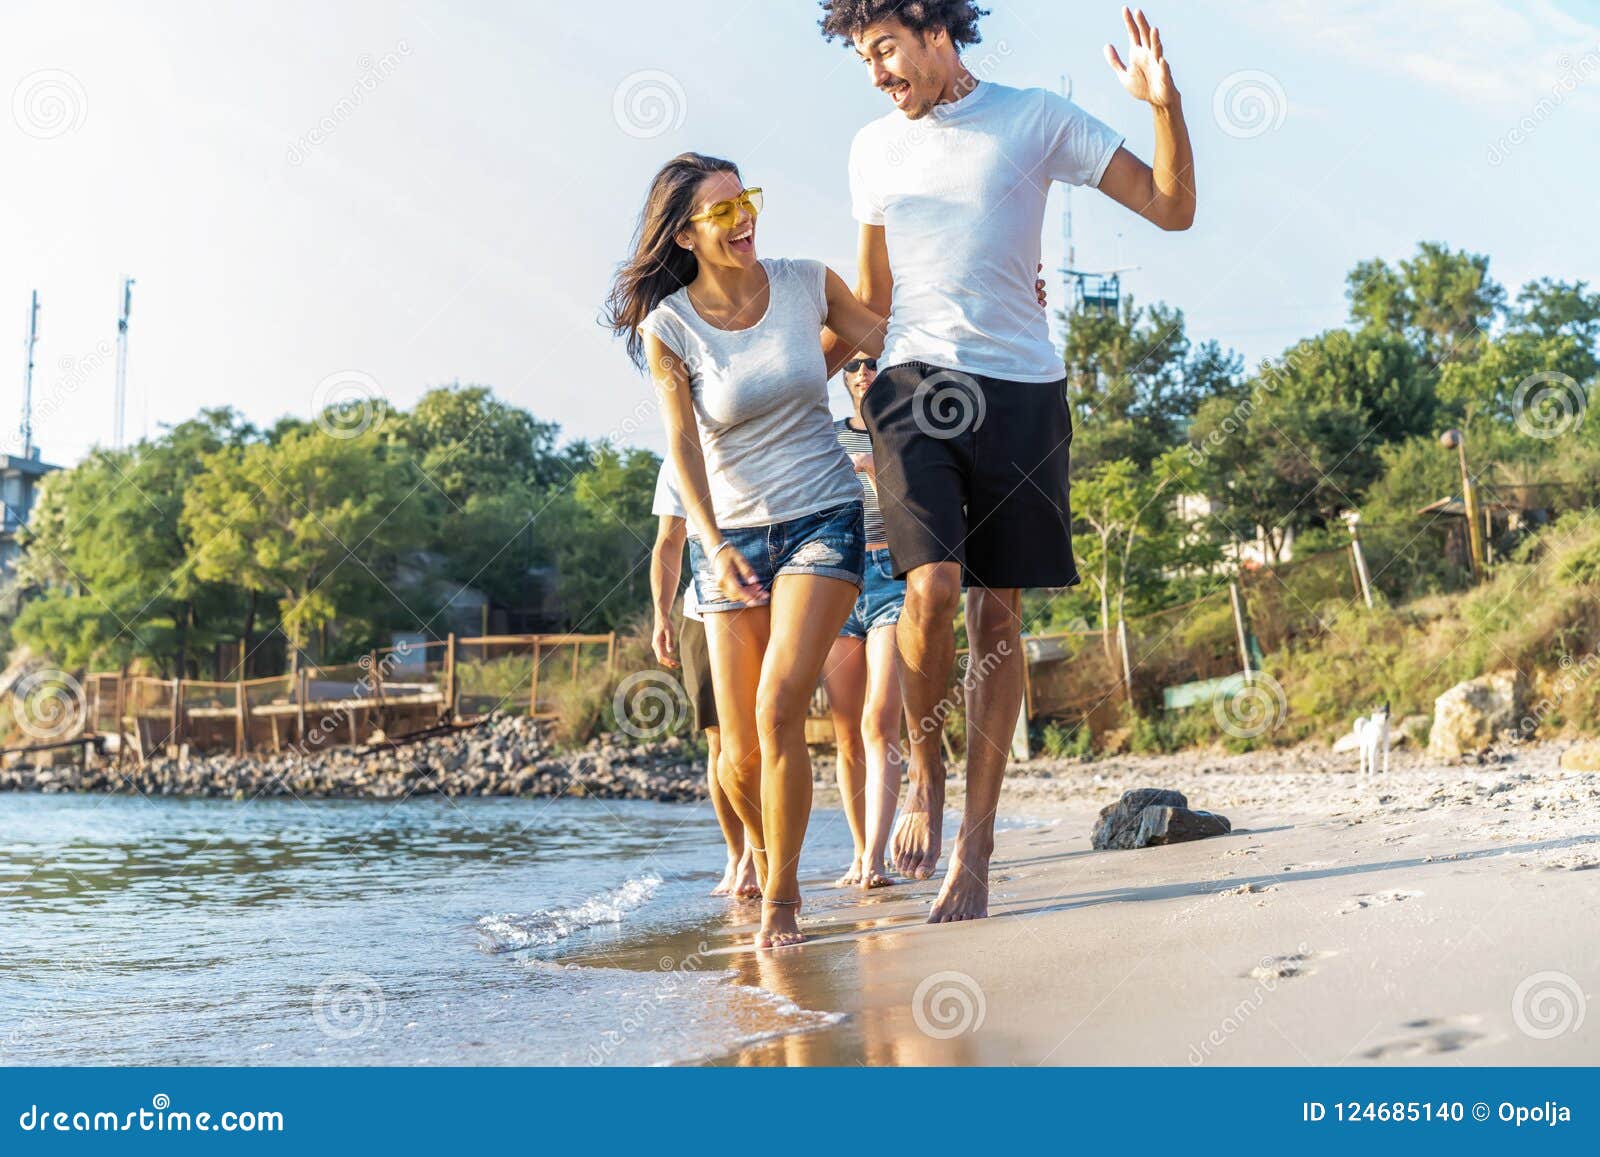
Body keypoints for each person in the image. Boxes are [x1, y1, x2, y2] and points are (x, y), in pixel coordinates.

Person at [818, 2, 1197, 922]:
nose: (876, 73)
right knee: (930, 590)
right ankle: (923, 775)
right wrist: (797, 381)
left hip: (1023, 391)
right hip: (910, 385)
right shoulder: (873, 147)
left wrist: (1164, 104)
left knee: (998, 617)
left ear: (936, 32)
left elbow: (1173, 209)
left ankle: (977, 847)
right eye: (863, 58)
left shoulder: (1037, 119)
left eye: (885, 50)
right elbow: (870, 299)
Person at [606, 153, 893, 948]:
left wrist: (882, 219)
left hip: (823, 517)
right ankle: (764, 858)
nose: (744, 220)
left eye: (747, 202)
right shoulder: (668, 328)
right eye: (723, 212)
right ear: (687, 235)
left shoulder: (805, 282)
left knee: (778, 710)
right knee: (735, 754)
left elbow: (878, 327)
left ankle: (783, 899)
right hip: (729, 536)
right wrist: (707, 539)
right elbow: (683, 447)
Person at [649, 462, 758, 899]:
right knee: (719, 742)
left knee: (764, 733)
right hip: (703, 610)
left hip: (769, 602)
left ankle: (760, 851)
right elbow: (668, 542)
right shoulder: (677, 462)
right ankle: (736, 854)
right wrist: (661, 612)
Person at [821, 354, 906, 890]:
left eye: (873, 361)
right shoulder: (826, 436)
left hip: (892, 575)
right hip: (836, 576)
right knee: (847, 731)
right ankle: (858, 853)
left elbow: (924, 513)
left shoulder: (906, 432)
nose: (863, 369)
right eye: (852, 362)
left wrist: (876, 475)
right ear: (843, 376)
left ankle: (876, 858)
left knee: (880, 720)